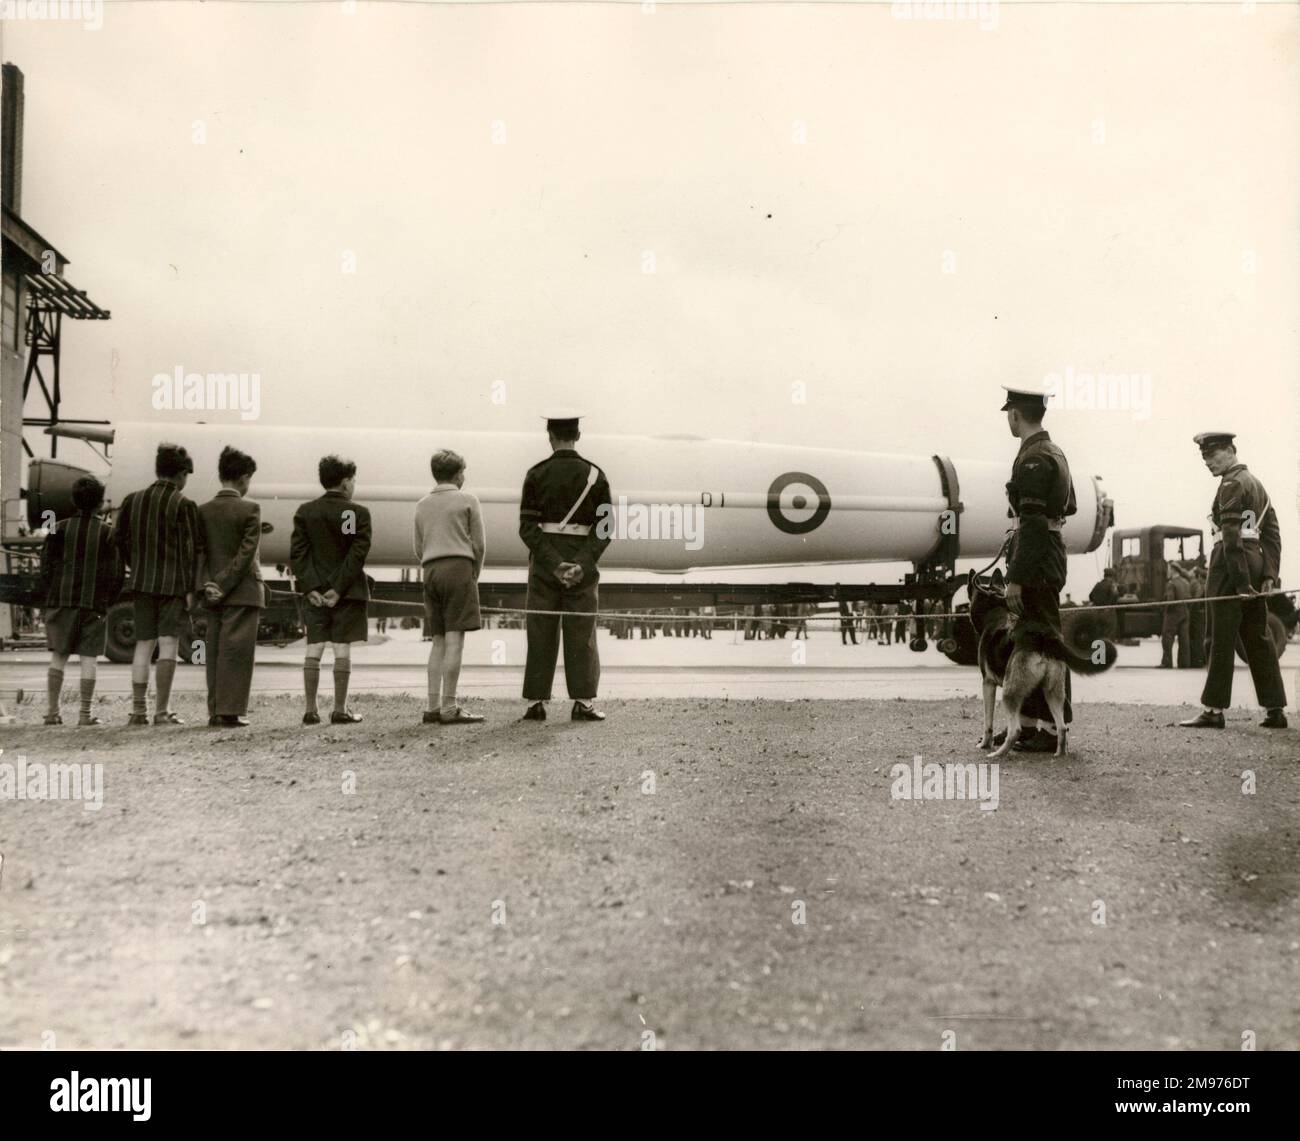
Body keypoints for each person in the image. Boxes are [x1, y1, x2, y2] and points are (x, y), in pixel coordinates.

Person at [1178, 433, 1288, 729]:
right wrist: (1267, 575)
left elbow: (1230, 536)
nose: (1208, 463)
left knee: (1219, 637)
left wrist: (1240, 583)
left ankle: (1213, 710)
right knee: (1259, 638)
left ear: (1230, 451)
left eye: (1212, 456)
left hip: (1230, 565)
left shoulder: (1231, 483)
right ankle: (1275, 709)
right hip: (1255, 562)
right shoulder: (1257, 484)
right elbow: (1273, 534)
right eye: (1204, 458)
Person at [995, 385, 1077, 752]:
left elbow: (1030, 521)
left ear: (1015, 415)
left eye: (1008, 415)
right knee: (1032, 637)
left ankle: (1046, 729)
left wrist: (1016, 577)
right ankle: (1030, 725)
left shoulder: (1033, 457)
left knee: (1041, 639)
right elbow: (1067, 506)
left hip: (1037, 555)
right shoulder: (1054, 451)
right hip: (1049, 551)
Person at [519, 411, 613, 722]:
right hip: (581, 561)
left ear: (550, 437)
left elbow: (528, 528)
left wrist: (555, 564)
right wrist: (581, 565)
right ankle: (583, 703)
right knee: (581, 633)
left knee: (541, 630)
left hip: (546, 564)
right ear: (578, 436)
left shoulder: (536, 474)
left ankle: (536, 702)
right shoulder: (596, 476)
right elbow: (604, 528)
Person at [114, 442, 203, 726]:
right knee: (168, 645)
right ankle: (162, 712)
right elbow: (191, 550)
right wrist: (191, 588)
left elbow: (118, 539)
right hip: (173, 585)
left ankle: (138, 711)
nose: (185, 482)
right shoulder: (183, 505)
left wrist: (135, 564)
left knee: (143, 645)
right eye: (186, 475)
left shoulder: (132, 500)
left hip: (140, 583)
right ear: (179, 474)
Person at [290, 455, 372, 725]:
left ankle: (310, 710)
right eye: (354, 479)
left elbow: (299, 554)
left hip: (314, 595)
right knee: (341, 648)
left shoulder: (305, 511)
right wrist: (337, 588)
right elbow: (352, 552)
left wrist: (311, 587)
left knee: (313, 647)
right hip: (345, 595)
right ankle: (340, 709)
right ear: (346, 482)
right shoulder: (352, 513)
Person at [39, 475, 123, 726]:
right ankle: (85, 715)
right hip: (94, 605)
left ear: (74, 500)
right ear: (99, 502)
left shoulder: (58, 528)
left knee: (58, 657)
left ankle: (53, 712)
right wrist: (108, 601)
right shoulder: (108, 533)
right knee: (89, 659)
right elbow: (116, 573)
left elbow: (45, 567)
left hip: (62, 601)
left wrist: (52, 594)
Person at [414, 449, 486, 725]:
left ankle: (432, 706)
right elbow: (479, 544)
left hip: (431, 570)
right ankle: (449, 706)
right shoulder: (468, 500)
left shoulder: (421, 504)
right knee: (456, 639)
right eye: (463, 472)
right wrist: (474, 572)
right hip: (459, 568)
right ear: (457, 475)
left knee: (438, 640)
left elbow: (417, 547)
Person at [197, 446, 265, 728]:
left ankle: (214, 710)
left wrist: (208, 585)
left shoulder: (202, 510)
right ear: (244, 477)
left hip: (212, 595)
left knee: (214, 652)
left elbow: (199, 553)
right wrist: (224, 584)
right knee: (237, 653)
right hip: (242, 592)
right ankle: (230, 711)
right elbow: (246, 554)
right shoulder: (250, 509)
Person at [1159, 564, 1191, 669]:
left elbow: (1170, 600)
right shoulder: (1186, 583)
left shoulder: (1171, 584)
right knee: (1184, 639)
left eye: (1168, 569)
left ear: (1173, 570)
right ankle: (1184, 663)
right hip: (1185, 613)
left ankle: (1167, 663)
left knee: (1167, 638)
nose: (1167, 571)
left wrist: (1165, 611)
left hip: (1173, 614)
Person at [1188, 562, 1207, 668]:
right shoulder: (1202, 584)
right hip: (1201, 614)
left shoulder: (1197, 584)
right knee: (1200, 638)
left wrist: (1191, 611)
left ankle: (1198, 662)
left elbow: (1196, 601)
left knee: (1197, 639)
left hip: (1198, 615)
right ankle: (1201, 660)